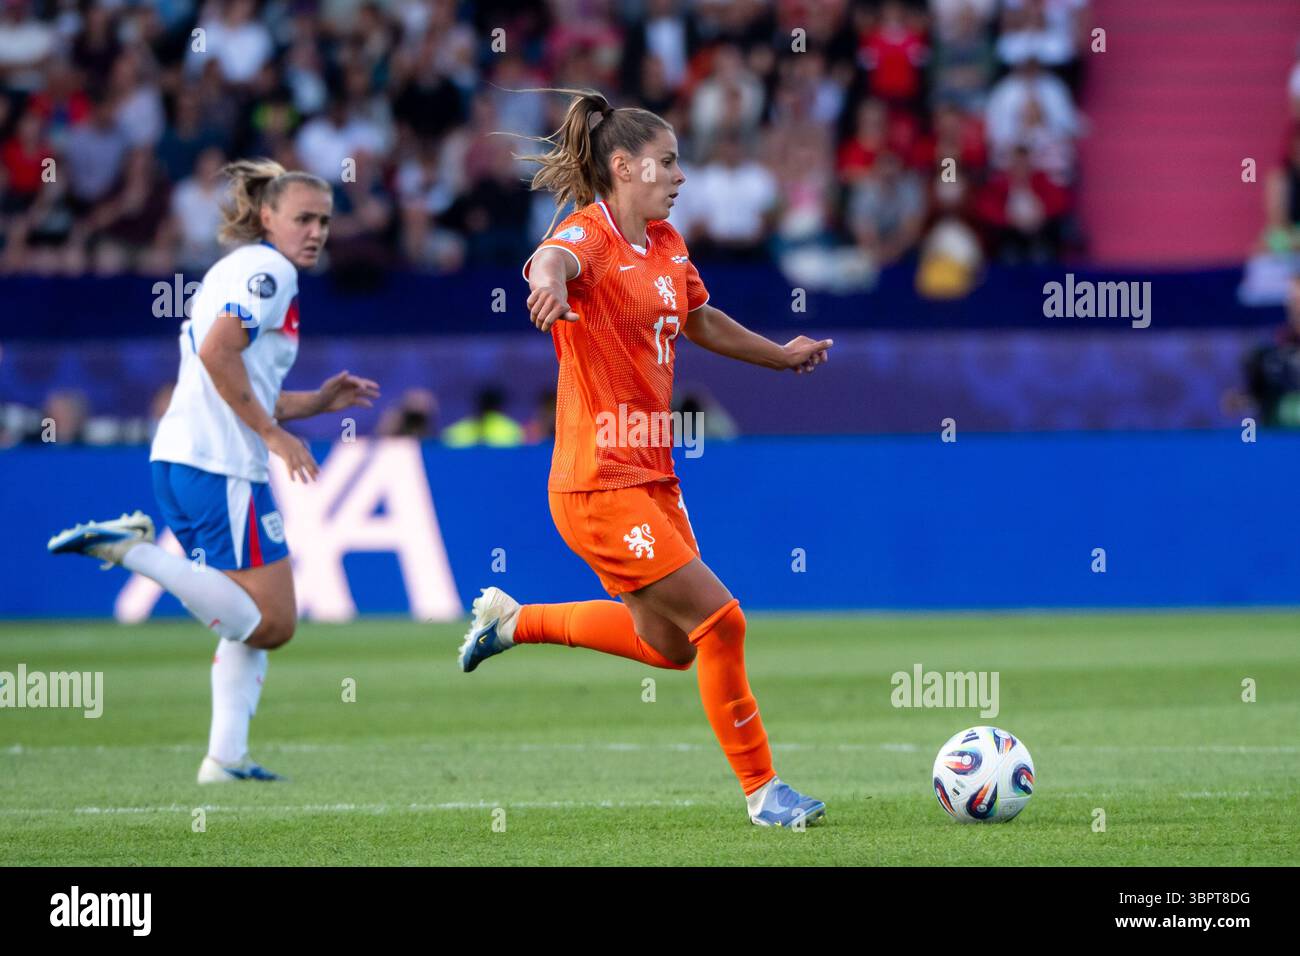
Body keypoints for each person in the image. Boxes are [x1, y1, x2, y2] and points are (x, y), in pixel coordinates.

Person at [458, 88, 834, 828]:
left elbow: (699, 320)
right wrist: (547, 289)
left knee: (669, 648)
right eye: (667, 163)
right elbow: (548, 263)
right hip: (598, 483)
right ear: (624, 166)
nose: (679, 175)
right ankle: (764, 793)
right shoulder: (587, 234)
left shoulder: (665, 244)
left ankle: (511, 623)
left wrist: (779, 357)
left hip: (654, 476)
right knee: (722, 623)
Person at [47, 158, 380, 783]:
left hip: (185, 457)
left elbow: (235, 376)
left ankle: (224, 758)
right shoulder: (270, 270)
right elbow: (217, 351)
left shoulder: (235, 270)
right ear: (267, 217)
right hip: (221, 464)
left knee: (247, 618)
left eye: (325, 222)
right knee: (274, 623)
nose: (315, 232)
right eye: (303, 219)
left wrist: (311, 404)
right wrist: (273, 434)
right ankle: (131, 552)